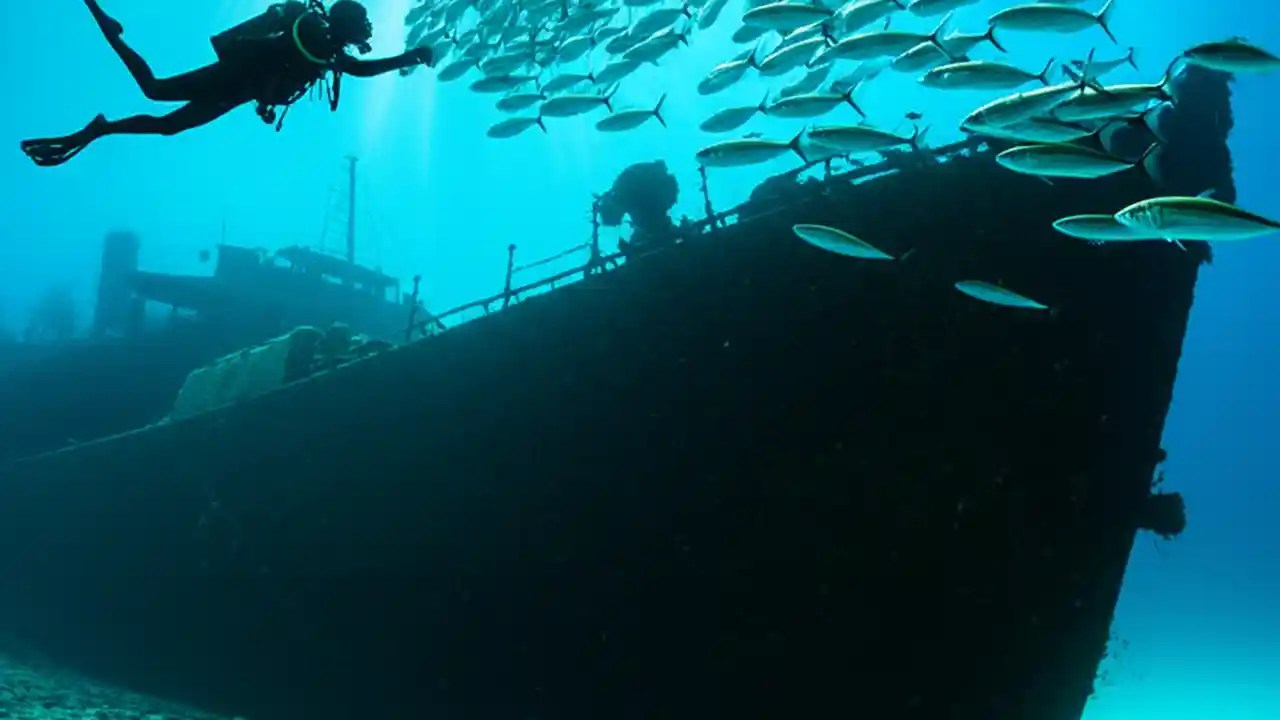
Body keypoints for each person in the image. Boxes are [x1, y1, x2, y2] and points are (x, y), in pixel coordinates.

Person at [20, 0, 435, 167]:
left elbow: (355, 68)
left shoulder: (326, 48)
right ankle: (105, 24)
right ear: (343, 22)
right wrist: (407, 56)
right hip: (231, 79)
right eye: (361, 22)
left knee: (167, 123)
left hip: (236, 94)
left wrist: (408, 56)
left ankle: (100, 129)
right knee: (154, 89)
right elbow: (355, 67)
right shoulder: (313, 32)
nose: (365, 29)